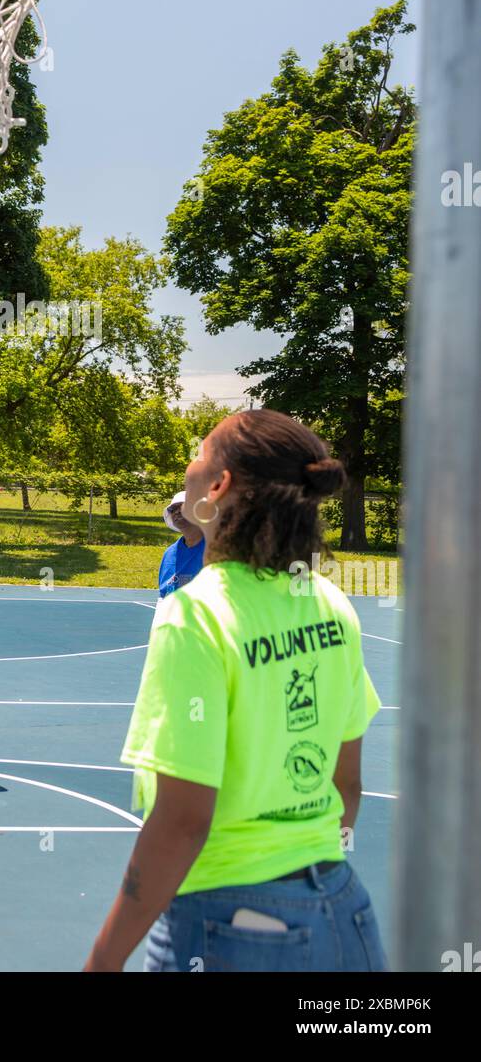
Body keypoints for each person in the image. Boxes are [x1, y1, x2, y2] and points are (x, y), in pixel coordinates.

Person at [85, 408, 385, 972]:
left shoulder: (194, 617)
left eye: (198, 454)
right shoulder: (328, 602)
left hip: (231, 925)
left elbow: (182, 822)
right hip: (344, 912)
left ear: (219, 485)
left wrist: (102, 962)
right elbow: (348, 787)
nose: (188, 464)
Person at [158, 490, 204, 599]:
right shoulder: (169, 554)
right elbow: (164, 594)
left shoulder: (216, 550)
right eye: (172, 509)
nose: (177, 512)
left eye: (183, 506)